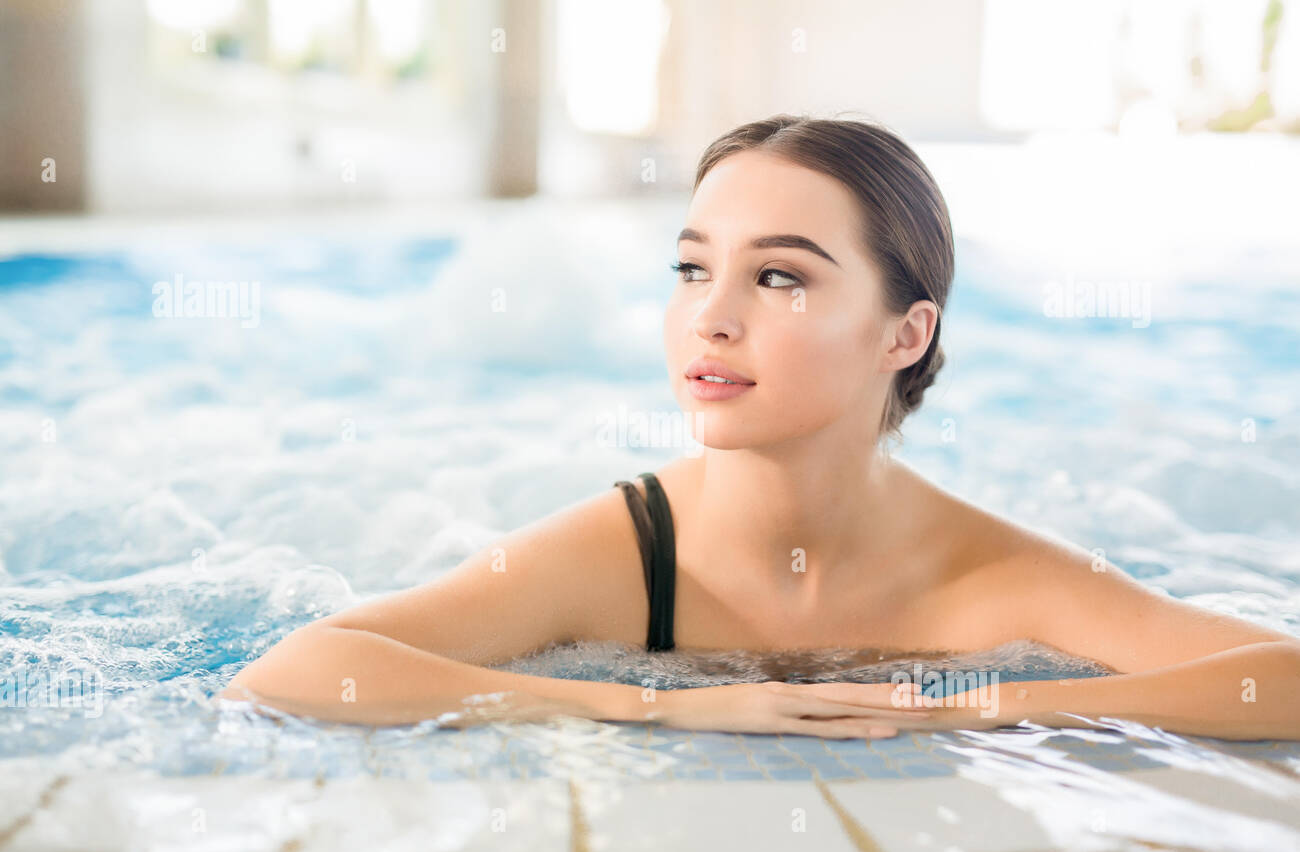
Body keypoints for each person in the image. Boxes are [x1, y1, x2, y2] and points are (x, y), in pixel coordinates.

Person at [219, 114, 1300, 741]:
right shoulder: (623, 553)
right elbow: (299, 667)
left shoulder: (988, 572)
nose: (710, 315)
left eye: (778, 274)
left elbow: (1280, 675)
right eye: (692, 268)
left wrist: (973, 705)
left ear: (903, 333)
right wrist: (645, 706)